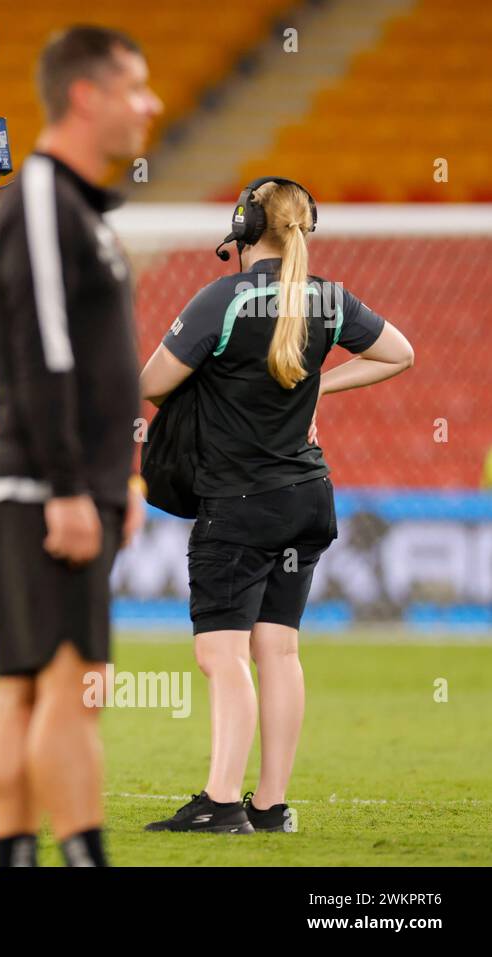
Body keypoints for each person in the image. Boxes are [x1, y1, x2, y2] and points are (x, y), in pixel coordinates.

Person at [140, 177, 414, 834]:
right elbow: (398, 354)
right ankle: (270, 804)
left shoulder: (225, 299)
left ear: (245, 224)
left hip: (238, 501)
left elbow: (152, 382)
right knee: (279, 651)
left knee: (222, 652)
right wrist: (319, 387)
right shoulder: (328, 298)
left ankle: (221, 800)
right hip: (307, 497)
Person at [0, 26, 161, 867]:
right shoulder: (45, 199)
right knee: (71, 686)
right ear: (87, 96)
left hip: (54, 482)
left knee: (29, 684)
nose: (151, 106)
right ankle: (81, 854)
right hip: (46, 486)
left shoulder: (71, 205)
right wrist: (73, 487)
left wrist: (117, 476)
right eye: (136, 87)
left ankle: (18, 854)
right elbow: (45, 351)